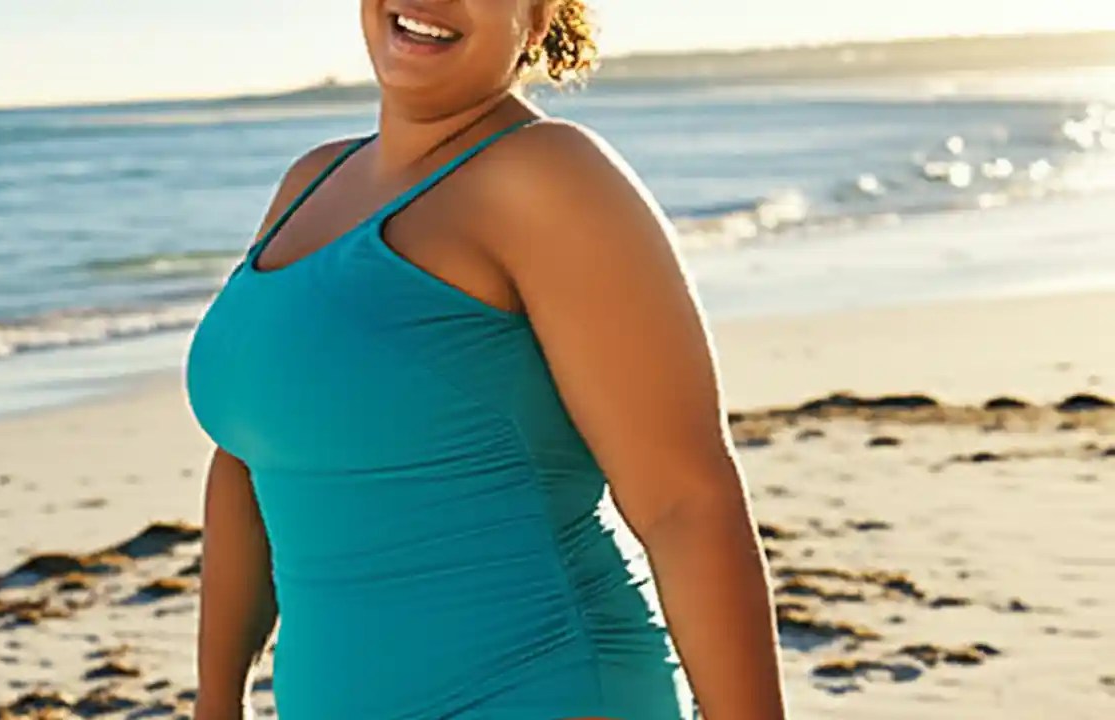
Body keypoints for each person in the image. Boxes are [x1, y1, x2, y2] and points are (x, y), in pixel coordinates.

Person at [183, 1, 787, 718]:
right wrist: (217, 704)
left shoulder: (549, 175)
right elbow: (251, 459)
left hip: (542, 689)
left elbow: (685, 502)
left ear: (536, 21)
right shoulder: (311, 181)